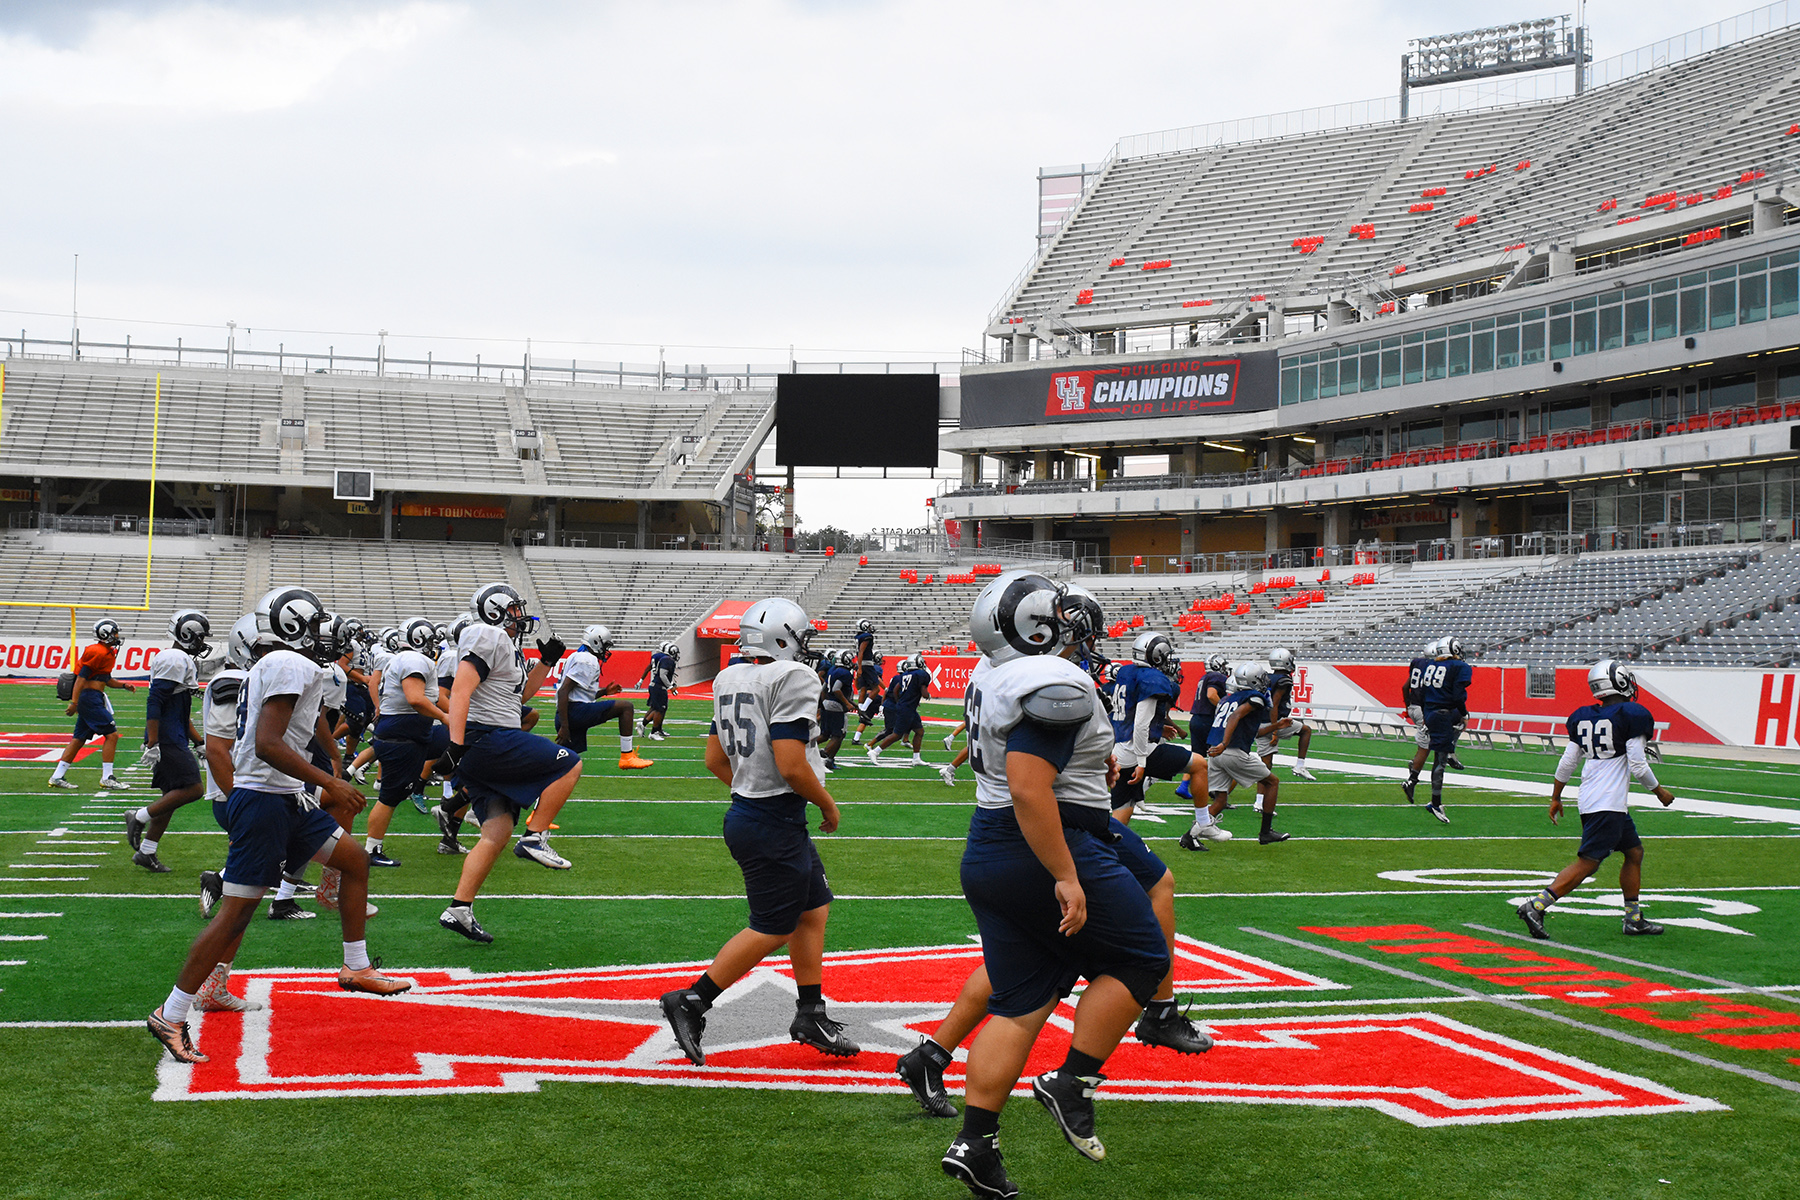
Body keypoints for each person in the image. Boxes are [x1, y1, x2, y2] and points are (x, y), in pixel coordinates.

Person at [936, 571, 1171, 1196]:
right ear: (1037, 623)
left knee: (1020, 1002)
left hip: (987, 846)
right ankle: (1072, 1081)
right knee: (1143, 958)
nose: (1070, 621)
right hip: (1045, 844)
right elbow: (1027, 783)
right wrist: (1066, 874)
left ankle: (975, 1141)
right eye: (1059, 613)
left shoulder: (993, 672)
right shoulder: (1053, 680)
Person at [146, 586, 410, 1066]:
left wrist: (328, 757)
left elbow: (299, 725)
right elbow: (268, 742)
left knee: (353, 861)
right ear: (293, 629)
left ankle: (355, 967)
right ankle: (171, 1011)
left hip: (284, 798)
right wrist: (330, 778)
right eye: (315, 624)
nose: (325, 633)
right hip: (264, 800)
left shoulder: (281, 665)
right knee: (235, 915)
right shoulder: (290, 664)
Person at [660, 598, 859, 1066]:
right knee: (773, 926)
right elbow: (792, 763)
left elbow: (714, 760)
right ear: (784, 637)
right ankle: (692, 1000)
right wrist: (827, 804)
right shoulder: (793, 676)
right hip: (773, 819)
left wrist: (750, 789)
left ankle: (811, 1011)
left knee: (814, 909)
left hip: (755, 814)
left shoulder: (730, 676)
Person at [436, 583, 583, 944]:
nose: (520, 615)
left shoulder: (505, 645)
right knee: (569, 762)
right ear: (494, 610)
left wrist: (546, 663)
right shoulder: (485, 633)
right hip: (487, 738)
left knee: (496, 833)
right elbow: (461, 689)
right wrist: (455, 743)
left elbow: (520, 695)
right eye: (513, 609)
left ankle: (459, 908)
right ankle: (535, 836)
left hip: (489, 740)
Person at [1519, 660, 1675, 940]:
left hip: (1594, 798)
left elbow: (1567, 762)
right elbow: (1638, 765)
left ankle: (1633, 918)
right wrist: (1659, 791)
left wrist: (1556, 796)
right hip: (1608, 802)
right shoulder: (1631, 714)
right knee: (1589, 862)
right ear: (1620, 682)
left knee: (1634, 852)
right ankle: (1537, 905)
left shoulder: (1584, 717)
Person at [357, 616, 450, 869]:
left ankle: (457, 798)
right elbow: (415, 699)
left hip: (409, 733)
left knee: (462, 743)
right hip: (403, 735)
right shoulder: (413, 659)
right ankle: (371, 849)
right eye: (429, 640)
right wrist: (445, 718)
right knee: (391, 795)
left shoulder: (403, 658)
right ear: (418, 639)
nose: (433, 645)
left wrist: (458, 716)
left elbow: (430, 697)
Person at [124, 610, 211, 873]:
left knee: (169, 797)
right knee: (193, 789)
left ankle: (147, 852)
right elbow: (156, 701)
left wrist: (198, 742)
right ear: (187, 634)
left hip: (171, 733)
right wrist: (153, 741)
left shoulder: (179, 658)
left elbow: (179, 710)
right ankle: (138, 817)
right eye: (200, 636)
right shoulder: (175, 657)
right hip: (165, 737)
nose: (202, 641)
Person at [1108, 631, 1198, 823]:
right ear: (1155, 655)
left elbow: (1125, 716)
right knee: (1200, 765)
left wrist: (1158, 728)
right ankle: (1204, 823)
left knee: (1122, 812)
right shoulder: (1152, 679)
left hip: (1118, 747)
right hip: (1133, 750)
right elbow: (1140, 724)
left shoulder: (1126, 671)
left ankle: (1107, 849)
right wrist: (1142, 762)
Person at [1195, 662, 1289, 845]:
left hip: (1215, 753)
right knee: (1272, 782)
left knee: (1220, 801)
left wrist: (1276, 726)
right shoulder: (1254, 698)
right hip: (1230, 750)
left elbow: (1251, 732)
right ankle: (1265, 832)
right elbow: (1234, 717)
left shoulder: (1227, 699)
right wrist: (1225, 743)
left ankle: (1189, 836)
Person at [49, 618, 135, 791]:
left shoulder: (105, 652)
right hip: (89, 698)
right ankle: (107, 777)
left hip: (92, 697)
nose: (117, 636)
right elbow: (81, 678)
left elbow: (105, 679)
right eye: (115, 632)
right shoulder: (97, 651)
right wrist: (75, 702)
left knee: (79, 739)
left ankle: (57, 776)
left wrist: (124, 685)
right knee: (112, 735)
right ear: (106, 634)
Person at [557, 625, 651, 768]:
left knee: (566, 763)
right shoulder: (587, 659)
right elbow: (563, 692)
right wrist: (565, 725)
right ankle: (627, 756)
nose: (606, 650)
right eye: (605, 646)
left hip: (569, 712)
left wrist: (604, 692)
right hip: (573, 713)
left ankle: (540, 778)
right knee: (626, 707)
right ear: (596, 642)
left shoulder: (578, 655)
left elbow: (579, 694)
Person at [1405, 636, 1471, 824]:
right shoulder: (1460, 667)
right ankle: (1435, 803)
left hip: (1433, 712)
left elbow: (1423, 693)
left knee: (1457, 721)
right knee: (1440, 761)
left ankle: (1450, 750)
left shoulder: (1430, 666)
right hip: (1442, 714)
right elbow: (1458, 695)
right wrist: (1464, 713)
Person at [1174, 652, 1229, 804]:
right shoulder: (1217, 677)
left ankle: (1184, 786)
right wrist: (1222, 708)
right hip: (1208, 720)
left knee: (1197, 755)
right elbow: (1211, 694)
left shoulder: (1205, 677)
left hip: (1197, 719)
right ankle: (1215, 790)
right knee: (1217, 755)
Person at [1261, 648, 1316, 781]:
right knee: (1306, 731)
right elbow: (1274, 704)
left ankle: (1258, 801)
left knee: (1265, 767)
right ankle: (1300, 765)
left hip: (1260, 722)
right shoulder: (1284, 679)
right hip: (1273, 722)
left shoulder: (1267, 677)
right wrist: (1275, 730)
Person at [868, 652, 931, 766]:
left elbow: (896, 689)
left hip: (907, 707)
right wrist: (927, 695)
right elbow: (924, 693)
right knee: (897, 734)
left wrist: (900, 701)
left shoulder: (904, 675)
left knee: (919, 731)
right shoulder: (921, 674)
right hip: (907, 709)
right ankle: (875, 752)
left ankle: (916, 758)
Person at [818, 648, 856, 771]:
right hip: (836, 706)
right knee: (837, 735)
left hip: (828, 703)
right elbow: (836, 689)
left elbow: (824, 689)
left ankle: (827, 758)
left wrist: (824, 702)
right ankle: (823, 756)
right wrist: (846, 703)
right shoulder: (844, 673)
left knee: (825, 734)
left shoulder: (832, 670)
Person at [634, 640, 679, 741]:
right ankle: (653, 731)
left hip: (656, 685)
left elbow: (656, 670)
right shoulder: (667, 659)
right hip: (659, 686)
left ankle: (648, 726)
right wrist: (670, 686)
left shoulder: (659, 657)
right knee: (659, 709)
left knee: (657, 708)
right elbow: (663, 674)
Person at [850, 618, 880, 744]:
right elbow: (861, 652)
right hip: (866, 664)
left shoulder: (859, 636)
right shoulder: (867, 637)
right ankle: (863, 710)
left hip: (863, 664)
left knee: (863, 689)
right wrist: (861, 667)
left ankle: (862, 708)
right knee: (876, 689)